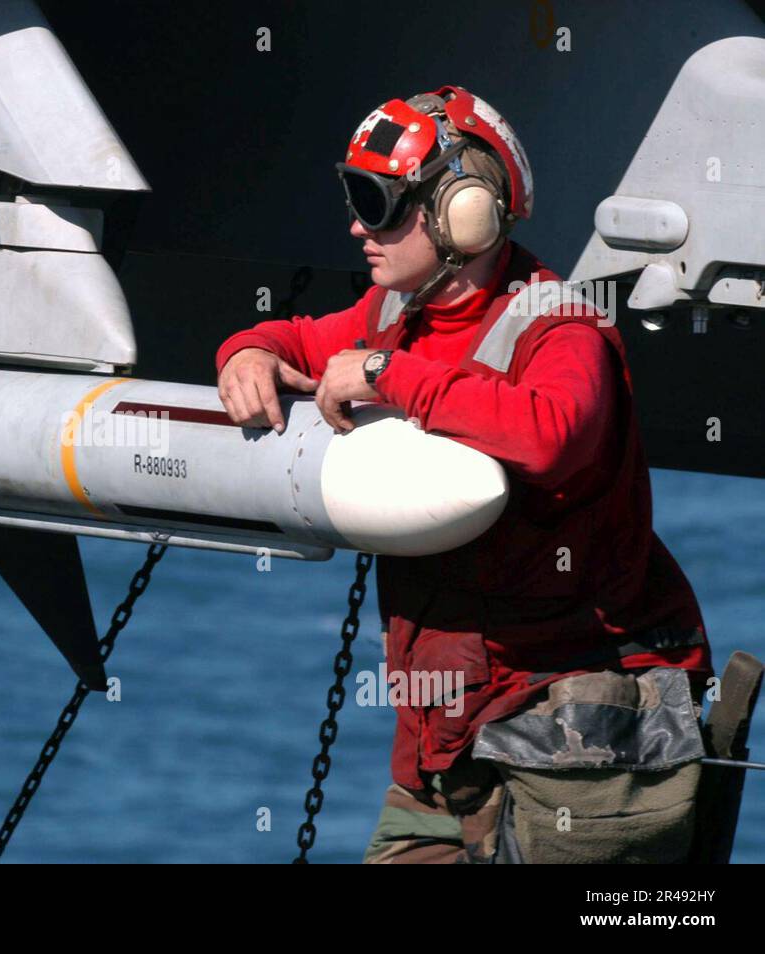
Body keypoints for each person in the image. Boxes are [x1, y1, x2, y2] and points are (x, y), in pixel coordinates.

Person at [215, 87, 713, 863]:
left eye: (374, 203)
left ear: (462, 213)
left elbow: (548, 435)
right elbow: (300, 340)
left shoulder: (560, 327)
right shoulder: (393, 312)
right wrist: (246, 352)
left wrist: (391, 376)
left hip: (572, 748)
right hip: (441, 757)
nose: (356, 227)